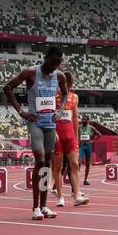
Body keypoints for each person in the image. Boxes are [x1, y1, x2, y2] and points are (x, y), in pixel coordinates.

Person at [3, 47, 67, 221]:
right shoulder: (30, 73)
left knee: (47, 163)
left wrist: (60, 110)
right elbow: (7, 88)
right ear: (45, 58)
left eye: (58, 63)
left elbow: (65, 94)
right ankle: (35, 207)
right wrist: (21, 112)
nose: (55, 65)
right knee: (39, 161)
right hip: (35, 123)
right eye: (53, 61)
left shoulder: (59, 76)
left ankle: (45, 206)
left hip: (50, 124)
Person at [51, 69, 88, 208]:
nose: (68, 87)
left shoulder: (74, 97)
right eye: (66, 84)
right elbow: (50, 117)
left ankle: (77, 195)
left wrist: (76, 136)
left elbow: (75, 117)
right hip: (57, 135)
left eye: (70, 85)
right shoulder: (53, 97)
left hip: (70, 135)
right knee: (58, 166)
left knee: (74, 164)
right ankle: (60, 196)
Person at [78, 112, 93, 186]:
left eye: (84, 119)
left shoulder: (90, 127)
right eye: (82, 119)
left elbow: (99, 134)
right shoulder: (79, 127)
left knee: (87, 163)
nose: (82, 120)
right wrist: (78, 142)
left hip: (88, 146)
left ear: (88, 120)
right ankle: (77, 178)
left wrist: (92, 141)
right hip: (81, 146)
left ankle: (85, 180)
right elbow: (76, 136)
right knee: (79, 162)